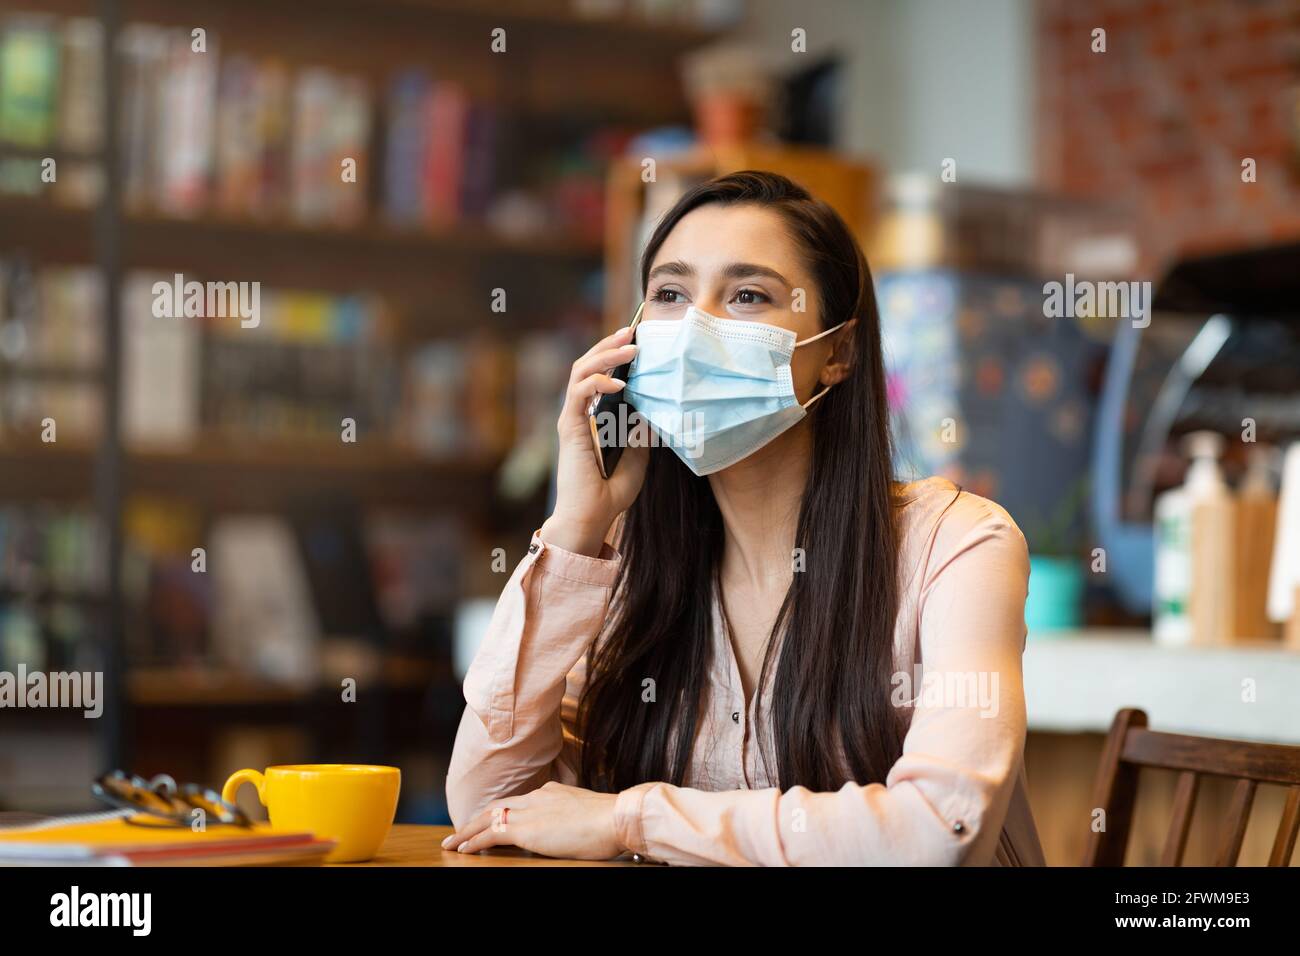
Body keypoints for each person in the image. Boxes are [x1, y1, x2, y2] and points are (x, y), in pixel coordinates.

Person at [442, 170, 1045, 866]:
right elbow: (490, 803)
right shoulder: (633, 569)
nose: (696, 327)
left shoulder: (958, 546)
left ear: (838, 353)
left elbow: (940, 830)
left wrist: (632, 820)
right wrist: (575, 529)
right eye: (669, 294)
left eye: (748, 295)